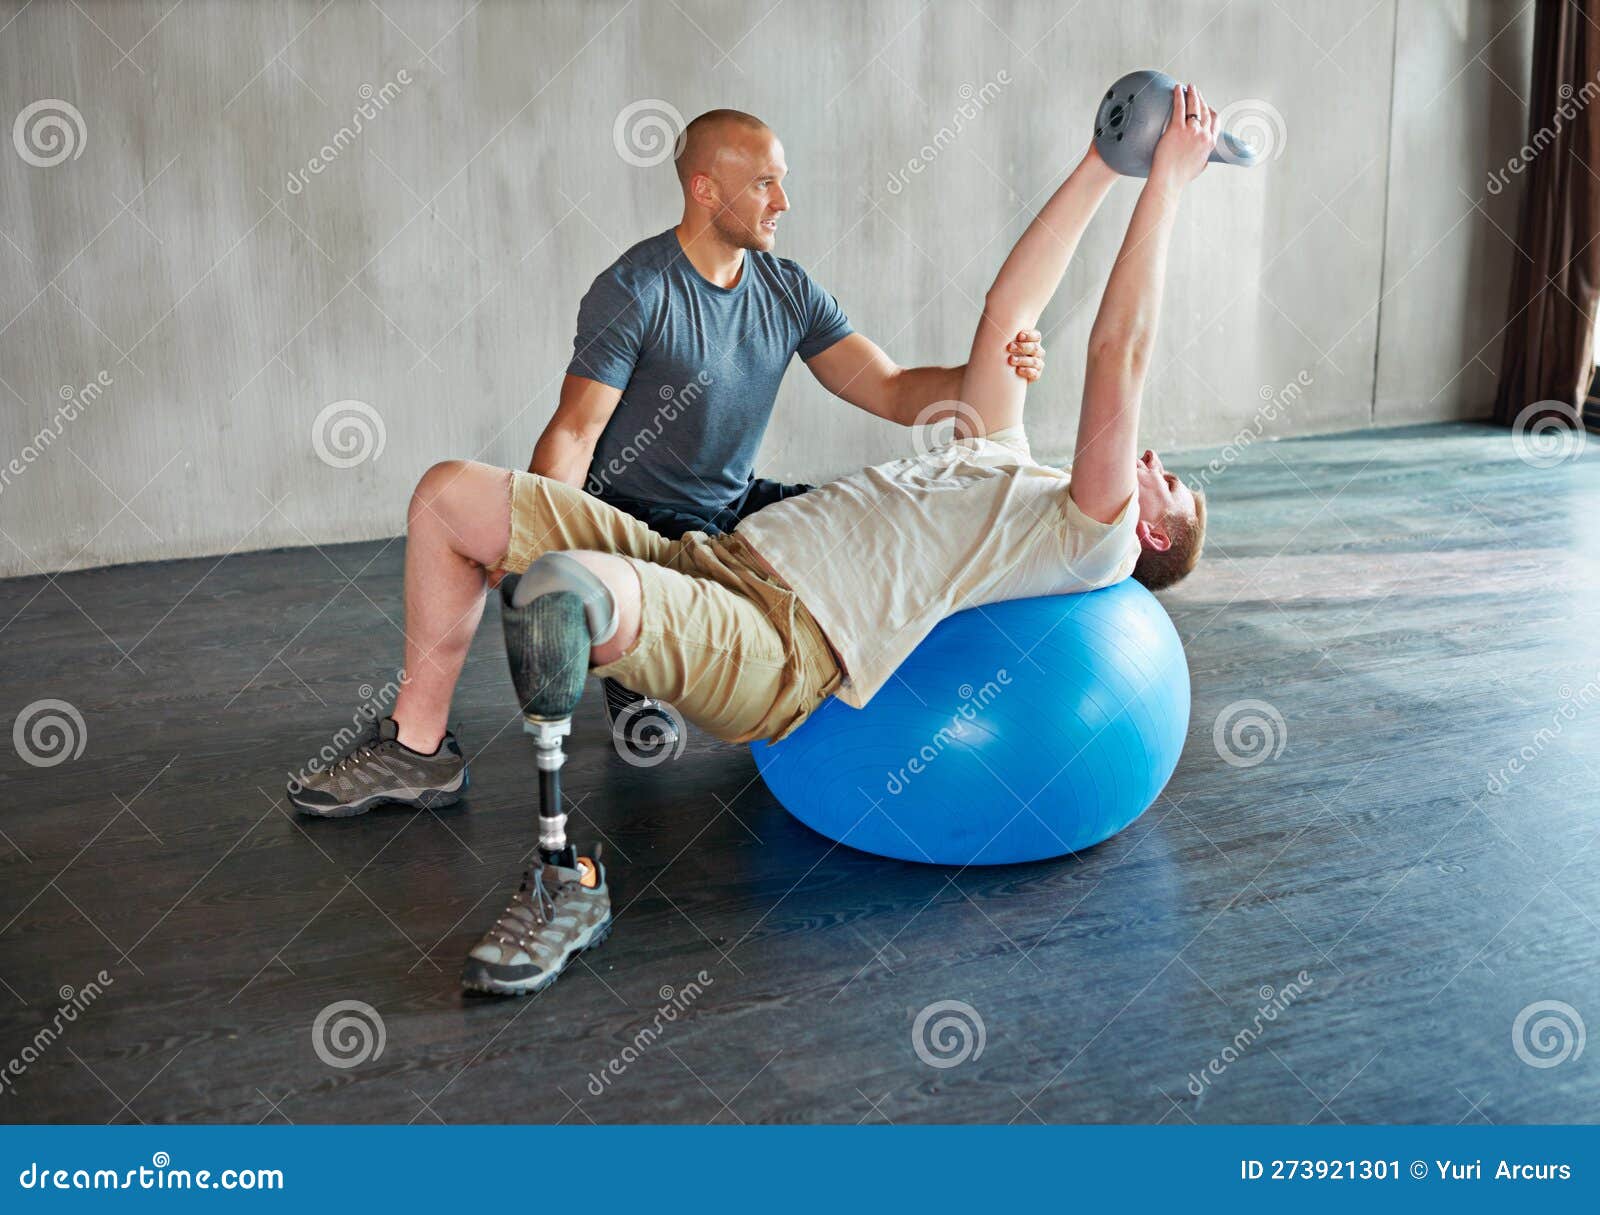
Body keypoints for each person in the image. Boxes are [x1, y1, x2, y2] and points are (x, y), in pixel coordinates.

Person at [287, 84, 1215, 997]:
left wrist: (1168, 180)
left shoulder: (1091, 537)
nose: (1153, 458)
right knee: (447, 497)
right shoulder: (997, 449)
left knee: (569, 585)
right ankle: (419, 747)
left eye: (1169, 482)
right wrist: (1102, 164)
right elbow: (1006, 315)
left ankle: (566, 877)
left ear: (1144, 531)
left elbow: (1117, 354)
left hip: (782, 637)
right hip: (718, 551)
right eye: (767, 181)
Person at [529, 109, 1046, 744]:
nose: (783, 202)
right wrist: (541, 549)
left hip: (732, 502)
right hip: (639, 518)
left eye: (782, 181)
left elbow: (891, 388)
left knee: (860, 530)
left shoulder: (787, 289)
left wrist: (995, 369)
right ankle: (635, 649)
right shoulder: (636, 289)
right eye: (764, 184)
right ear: (705, 189)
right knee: (728, 605)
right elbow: (575, 434)